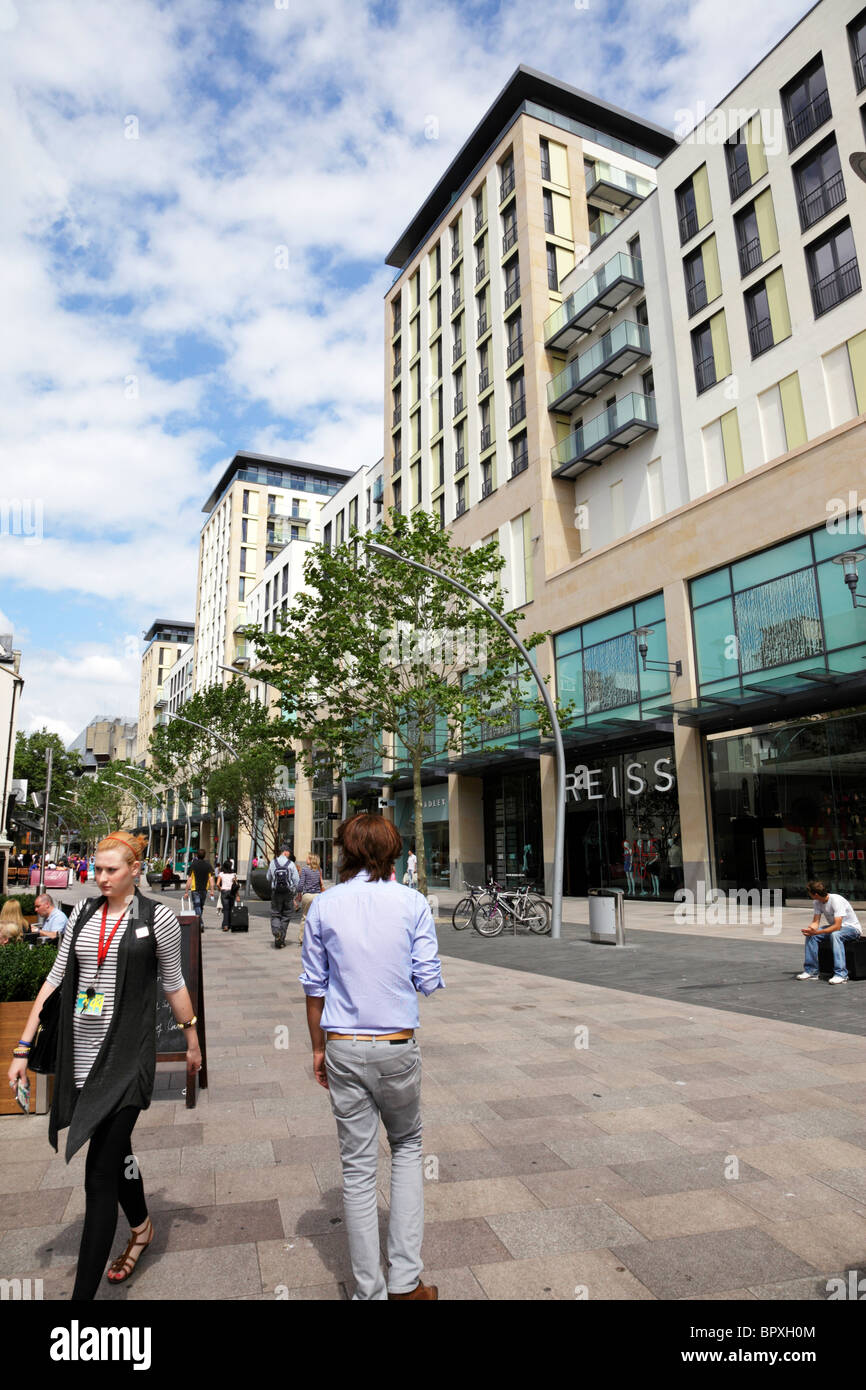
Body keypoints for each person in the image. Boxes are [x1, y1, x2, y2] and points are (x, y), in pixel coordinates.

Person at [6, 830, 201, 1298]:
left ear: (136, 870)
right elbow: (55, 980)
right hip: (82, 1056)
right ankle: (142, 1228)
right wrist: (22, 1047)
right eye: (97, 869)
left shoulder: (159, 919)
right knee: (118, 1155)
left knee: (98, 1175)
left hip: (127, 1059)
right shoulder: (83, 914)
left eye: (111, 870)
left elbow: (174, 985)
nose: (101, 878)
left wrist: (192, 1041)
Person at [300, 813, 444, 1301]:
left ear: (346, 851)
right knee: (406, 1148)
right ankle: (406, 1283)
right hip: (397, 1045)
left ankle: (369, 1293)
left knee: (358, 1170)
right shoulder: (413, 903)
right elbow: (427, 978)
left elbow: (313, 987)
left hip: (341, 1044)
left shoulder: (323, 906)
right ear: (392, 851)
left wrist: (317, 1048)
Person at [798, 880, 864, 984]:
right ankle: (811, 971)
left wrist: (818, 932)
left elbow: (837, 927)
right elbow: (816, 922)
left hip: (852, 929)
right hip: (836, 928)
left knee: (835, 935)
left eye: (809, 893)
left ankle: (841, 974)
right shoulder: (816, 902)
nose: (809, 895)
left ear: (815, 894)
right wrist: (811, 929)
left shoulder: (836, 900)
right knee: (812, 936)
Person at [267, 844, 299, 949]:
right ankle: (281, 939)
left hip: (276, 893)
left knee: (276, 914)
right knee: (286, 915)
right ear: (285, 852)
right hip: (288, 893)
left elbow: (268, 877)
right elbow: (296, 880)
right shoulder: (291, 864)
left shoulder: (273, 863)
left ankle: (277, 932)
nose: (289, 854)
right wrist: (294, 891)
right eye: (289, 852)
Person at [296, 853, 324, 947]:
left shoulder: (304, 870)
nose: (306, 859)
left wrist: (298, 892)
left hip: (307, 896)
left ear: (311, 860)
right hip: (317, 896)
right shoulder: (320, 870)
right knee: (316, 919)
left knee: (305, 917)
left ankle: (302, 939)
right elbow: (321, 883)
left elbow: (301, 884)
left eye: (307, 858)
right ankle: (315, 939)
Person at [185, 849, 214, 931]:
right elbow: (211, 879)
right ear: (204, 856)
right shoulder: (208, 866)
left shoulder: (193, 865)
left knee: (197, 906)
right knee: (200, 906)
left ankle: (200, 923)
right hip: (204, 889)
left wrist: (186, 891)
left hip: (195, 889)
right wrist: (212, 890)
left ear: (197, 855)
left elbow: (190, 879)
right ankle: (198, 922)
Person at [217, 860, 239, 932]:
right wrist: (237, 895)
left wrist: (220, 889)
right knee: (231, 908)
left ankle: (225, 925)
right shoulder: (233, 874)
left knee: (226, 909)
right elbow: (236, 885)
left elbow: (217, 884)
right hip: (232, 892)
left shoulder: (221, 874)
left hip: (224, 892)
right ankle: (231, 924)